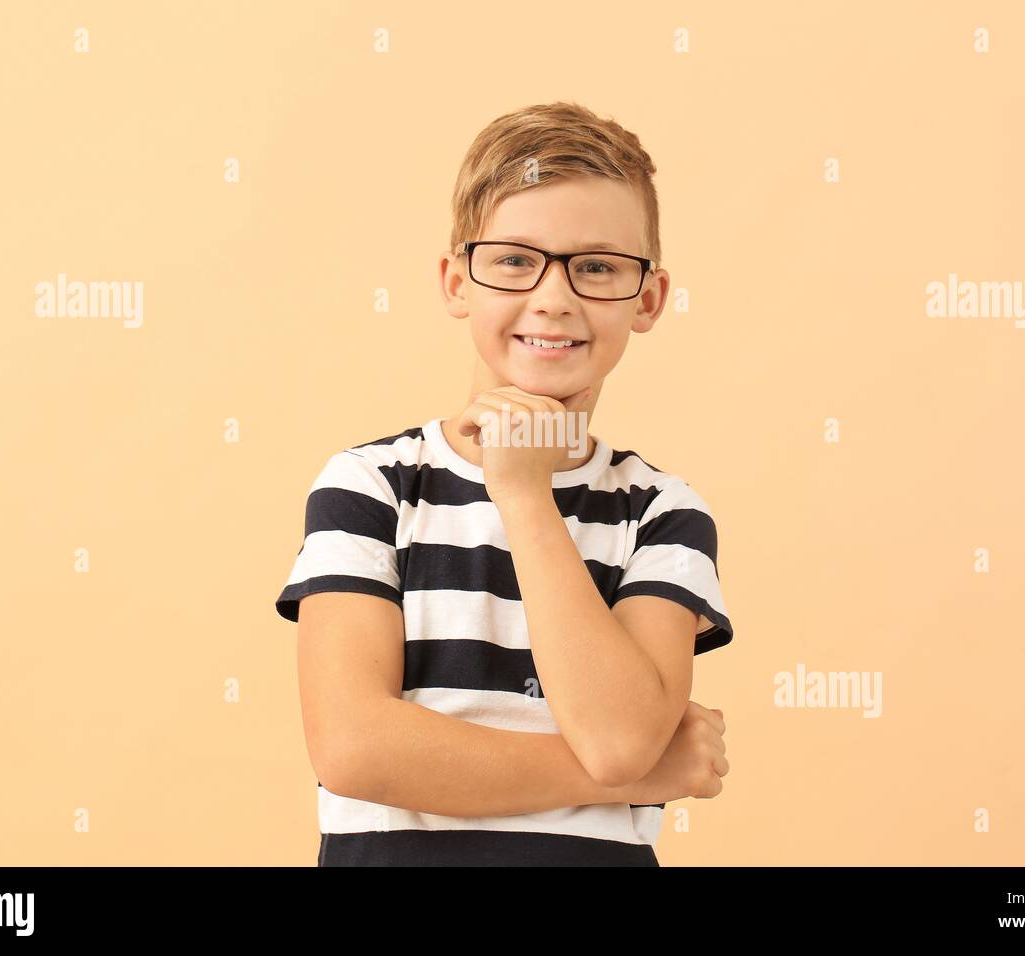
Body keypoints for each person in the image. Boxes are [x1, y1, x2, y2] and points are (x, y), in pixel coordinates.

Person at [275, 101, 734, 866]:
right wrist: (634, 777)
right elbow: (356, 750)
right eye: (516, 260)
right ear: (458, 282)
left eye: (596, 267)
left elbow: (618, 739)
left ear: (647, 298)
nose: (554, 298)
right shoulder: (371, 486)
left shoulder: (662, 513)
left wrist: (522, 492)